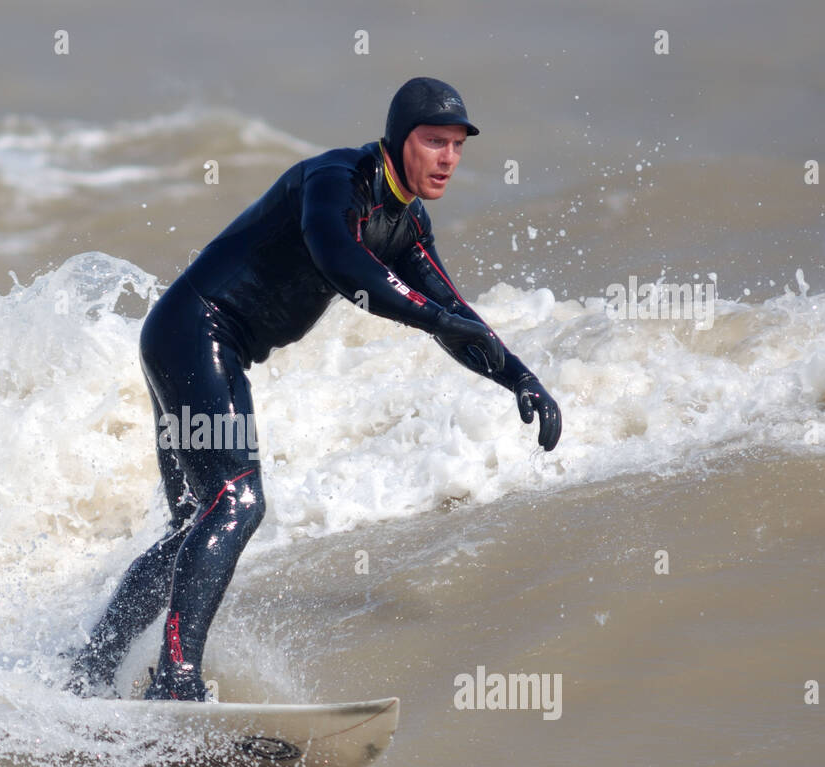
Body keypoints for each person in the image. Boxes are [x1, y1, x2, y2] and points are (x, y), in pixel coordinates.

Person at [67, 77, 562, 702]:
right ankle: (176, 679)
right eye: (435, 141)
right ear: (399, 138)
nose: (448, 158)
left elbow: (451, 309)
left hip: (192, 341)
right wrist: (438, 320)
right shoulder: (335, 181)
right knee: (237, 502)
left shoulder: (406, 222)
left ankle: (87, 668)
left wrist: (518, 375)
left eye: (458, 145)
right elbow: (342, 262)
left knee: (194, 521)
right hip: (196, 330)